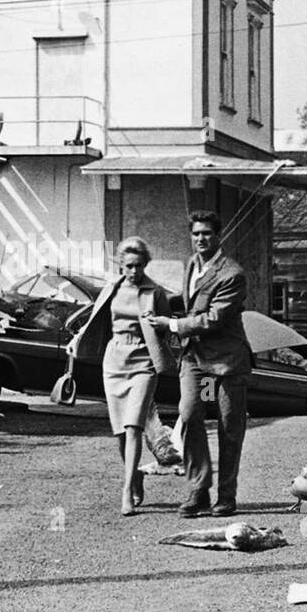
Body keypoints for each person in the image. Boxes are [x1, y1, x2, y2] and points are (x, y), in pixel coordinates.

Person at [144, 210, 253, 519]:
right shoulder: (192, 264)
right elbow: (192, 302)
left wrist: (172, 325)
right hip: (195, 359)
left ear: (218, 236)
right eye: (196, 234)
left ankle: (226, 496)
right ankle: (199, 489)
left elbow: (215, 318)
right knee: (190, 415)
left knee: (229, 428)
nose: (201, 239)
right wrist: (155, 301)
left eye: (206, 233)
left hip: (227, 362)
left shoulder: (233, 274)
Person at [69, 238, 175, 516]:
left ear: (145, 264)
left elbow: (167, 328)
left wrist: (158, 326)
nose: (134, 271)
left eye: (139, 265)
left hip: (143, 362)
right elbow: (97, 319)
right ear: (120, 265)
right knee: (119, 431)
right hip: (114, 361)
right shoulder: (111, 288)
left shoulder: (156, 292)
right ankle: (135, 475)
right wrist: (78, 340)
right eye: (128, 266)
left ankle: (126, 490)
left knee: (133, 427)